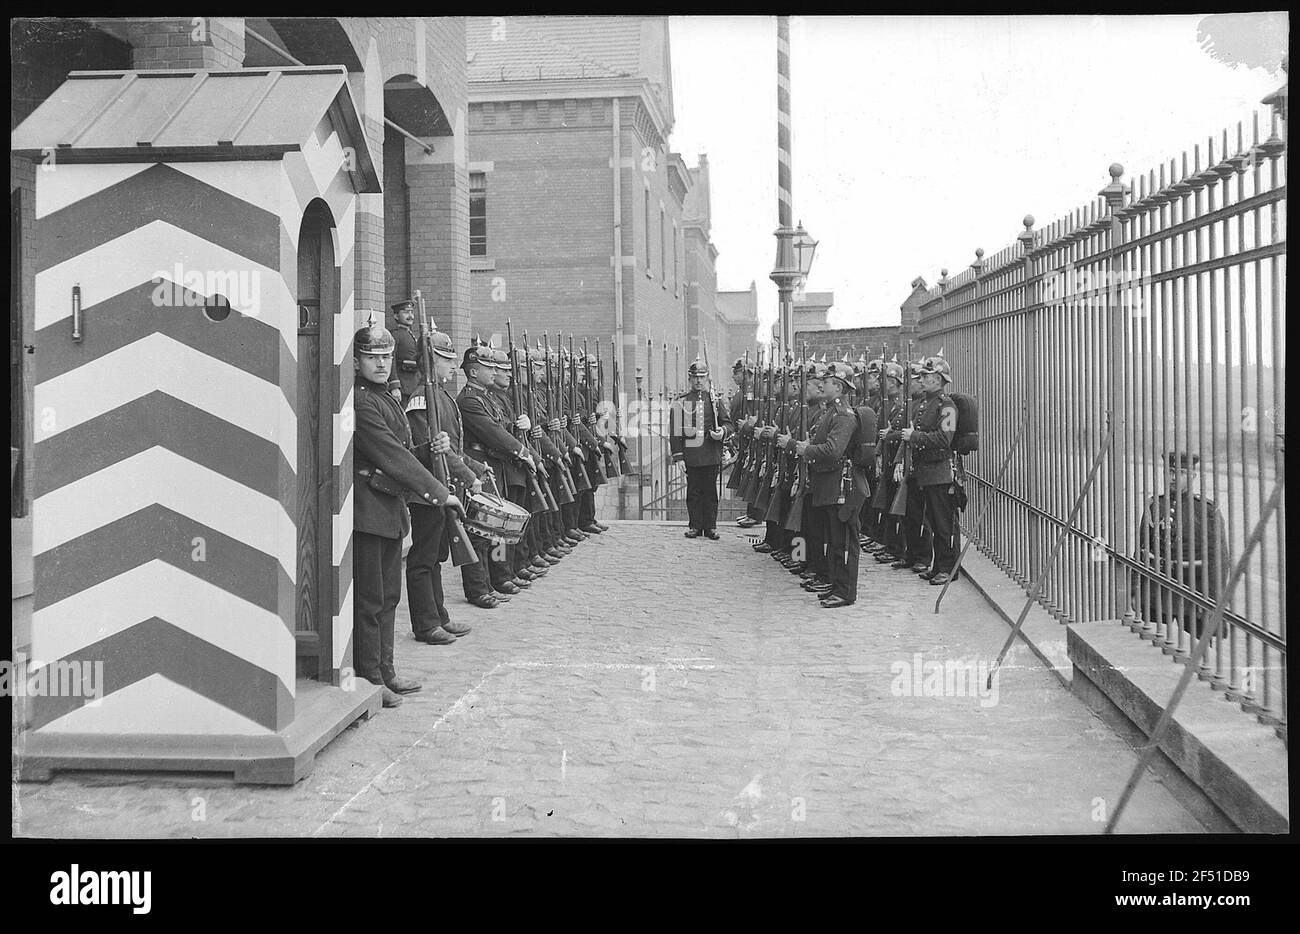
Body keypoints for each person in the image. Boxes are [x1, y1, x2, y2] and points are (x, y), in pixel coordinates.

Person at [351, 320, 463, 707]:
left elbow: (405, 454)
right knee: (370, 600)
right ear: (357, 360)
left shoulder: (384, 398)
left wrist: (432, 447)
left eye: (385, 357)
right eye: (371, 357)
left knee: (388, 598)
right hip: (368, 510)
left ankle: (386, 671)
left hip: (388, 508)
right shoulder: (362, 402)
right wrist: (438, 492)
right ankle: (370, 677)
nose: (380, 364)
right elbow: (390, 455)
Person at [404, 327, 484, 646]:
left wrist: (471, 470)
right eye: (446, 360)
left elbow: (454, 446)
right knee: (423, 558)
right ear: (431, 360)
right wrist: (467, 476)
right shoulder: (423, 397)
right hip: (427, 491)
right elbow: (431, 447)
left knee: (435, 556)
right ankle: (425, 623)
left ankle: (438, 616)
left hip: (443, 488)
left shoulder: (441, 395)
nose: (453, 367)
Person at [784, 361, 864, 608]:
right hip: (828, 484)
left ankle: (845, 591)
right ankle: (835, 584)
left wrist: (807, 449)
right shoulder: (831, 411)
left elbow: (833, 449)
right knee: (833, 539)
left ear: (838, 387)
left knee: (842, 542)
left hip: (840, 486)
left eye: (827, 381)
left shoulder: (843, 415)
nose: (822, 384)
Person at [1132, 451, 1229, 642]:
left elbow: (1218, 560)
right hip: (1156, 591)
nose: (1174, 478)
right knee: (1152, 643)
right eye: (1170, 472)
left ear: (1192, 477)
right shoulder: (1154, 506)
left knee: (1197, 651)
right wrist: (1135, 591)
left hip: (1193, 593)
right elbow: (1142, 552)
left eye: (1181, 473)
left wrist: (1211, 601)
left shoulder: (1206, 511)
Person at [902, 355, 960, 585]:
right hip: (927, 472)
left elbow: (945, 438)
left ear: (938, 379)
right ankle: (938, 566)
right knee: (934, 522)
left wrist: (914, 436)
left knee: (944, 524)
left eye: (926, 376)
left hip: (940, 473)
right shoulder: (927, 404)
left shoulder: (946, 406)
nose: (922, 380)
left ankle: (948, 568)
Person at [669, 359, 734, 539]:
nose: (698, 381)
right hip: (691, 454)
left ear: (707, 378)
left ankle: (710, 526)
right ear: (690, 378)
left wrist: (721, 432)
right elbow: (675, 432)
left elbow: (728, 424)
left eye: (702, 377)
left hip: (711, 452)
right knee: (694, 491)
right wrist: (679, 457)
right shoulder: (681, 402)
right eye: (695, 377)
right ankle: (695, 526)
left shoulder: (714, 401)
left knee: (710, 492)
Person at [389, 299, 422, 406]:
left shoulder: (410, 335)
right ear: (396, 316)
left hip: (412, 385)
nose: (410, 315)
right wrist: (394, 386)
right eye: (406, 312)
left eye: (411, 312)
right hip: (402, 387)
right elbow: (391, 360)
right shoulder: (396, 335)